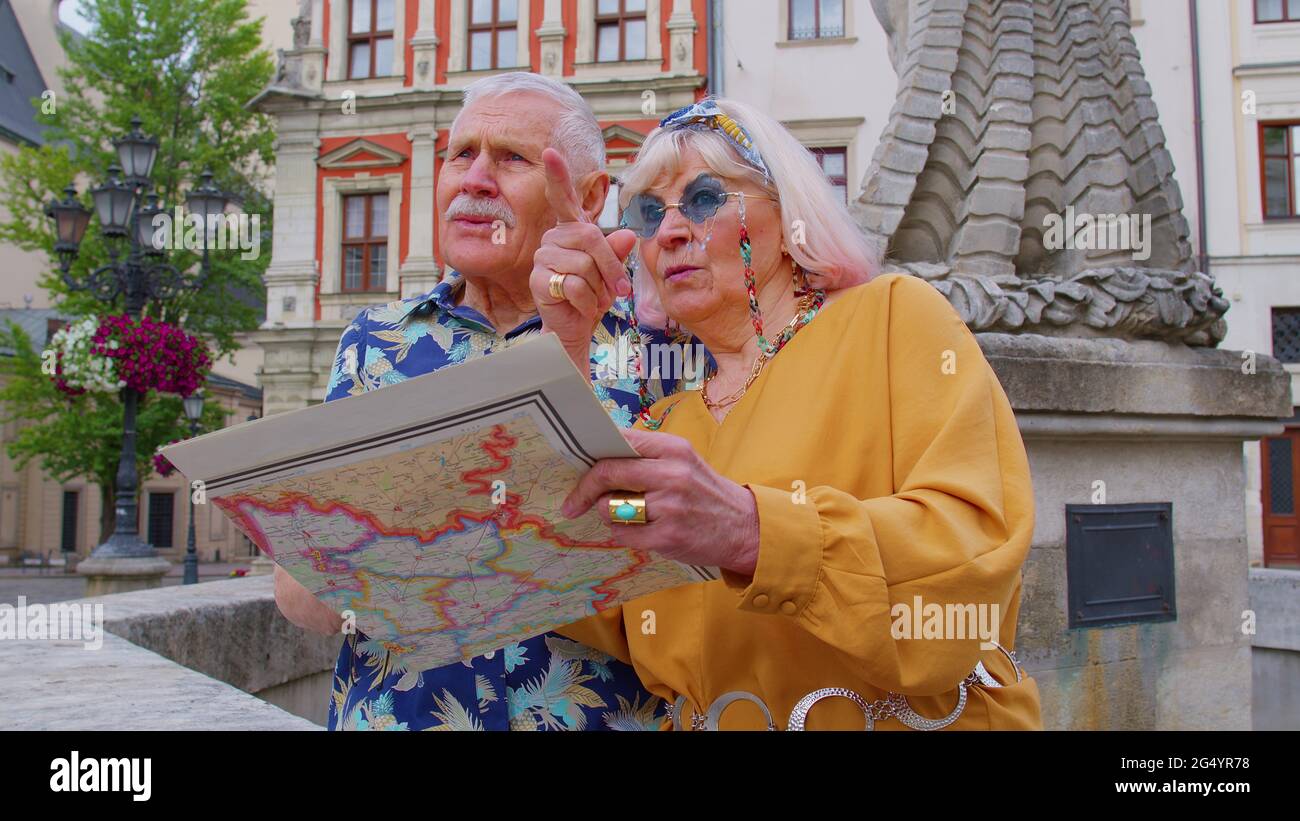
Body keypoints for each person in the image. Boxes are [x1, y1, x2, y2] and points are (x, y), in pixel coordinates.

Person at [533, 97, 1043, 730]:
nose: (668, 232)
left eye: (704, 199)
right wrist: (566, 347)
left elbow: (975, 551)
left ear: (788, 210)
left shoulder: (891, 318)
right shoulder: (669, 423)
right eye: (645, 213)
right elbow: (583, 582)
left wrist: (753, 531)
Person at [273, 72, 694, 731]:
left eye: (511, 158)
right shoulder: (376, 345)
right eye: (460, 153)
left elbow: (682, 532)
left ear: (587, 197)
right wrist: (419, 521)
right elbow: (297, 590)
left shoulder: (662, 348)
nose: (473, 178)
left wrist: (586, 511)